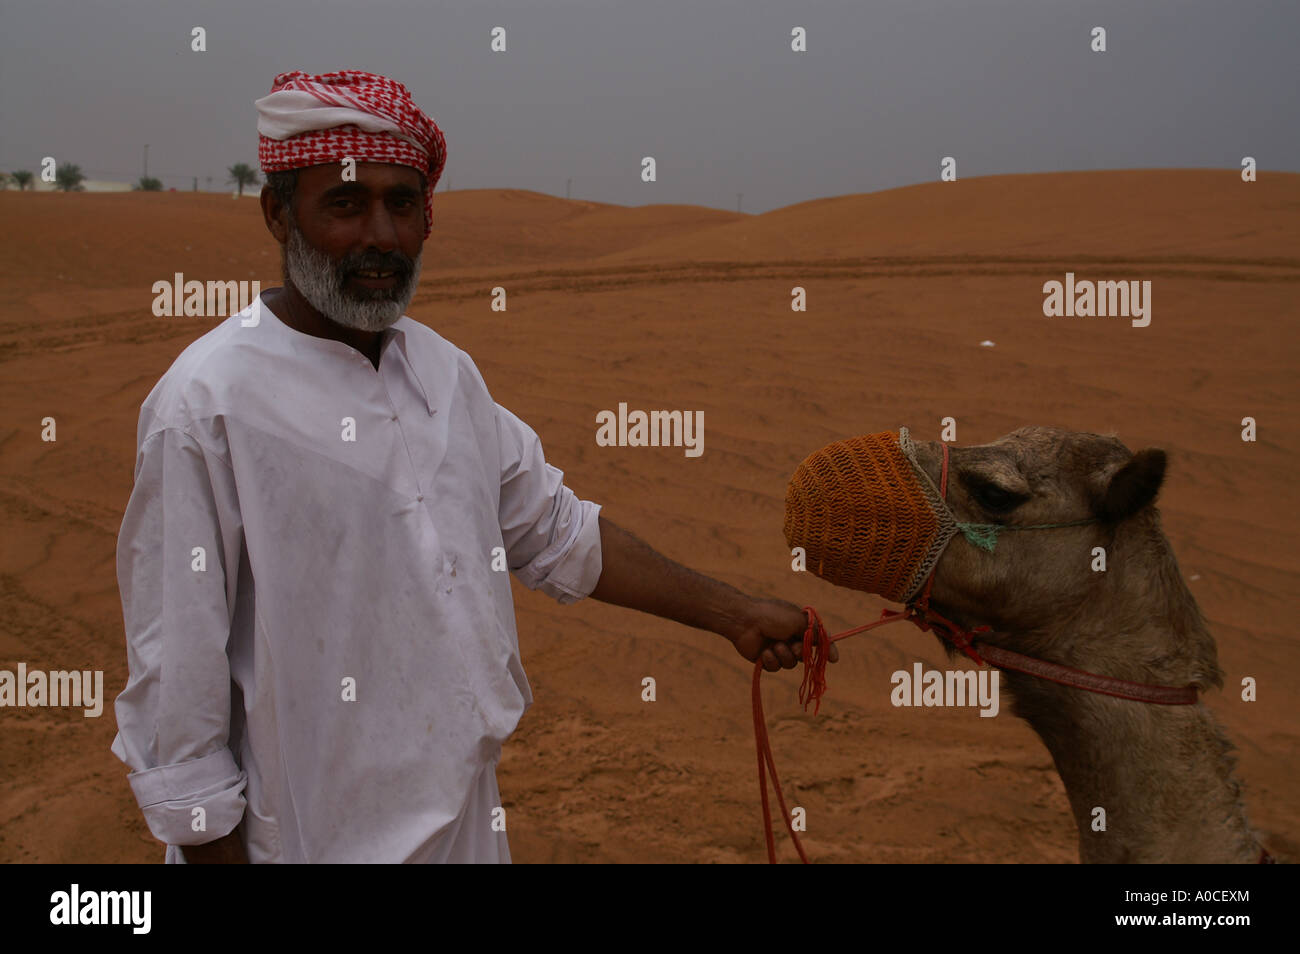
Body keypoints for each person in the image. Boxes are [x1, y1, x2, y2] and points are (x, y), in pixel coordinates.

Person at [111, 69, 834, 863]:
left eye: (402, 203)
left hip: (464, 825)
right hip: (309, 839)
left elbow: (556, 532)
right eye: (346, 205)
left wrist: (733, 614)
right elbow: (177, 685)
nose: (380, 237)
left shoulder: (447, 374)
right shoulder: (208, 403)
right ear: (278, 214)